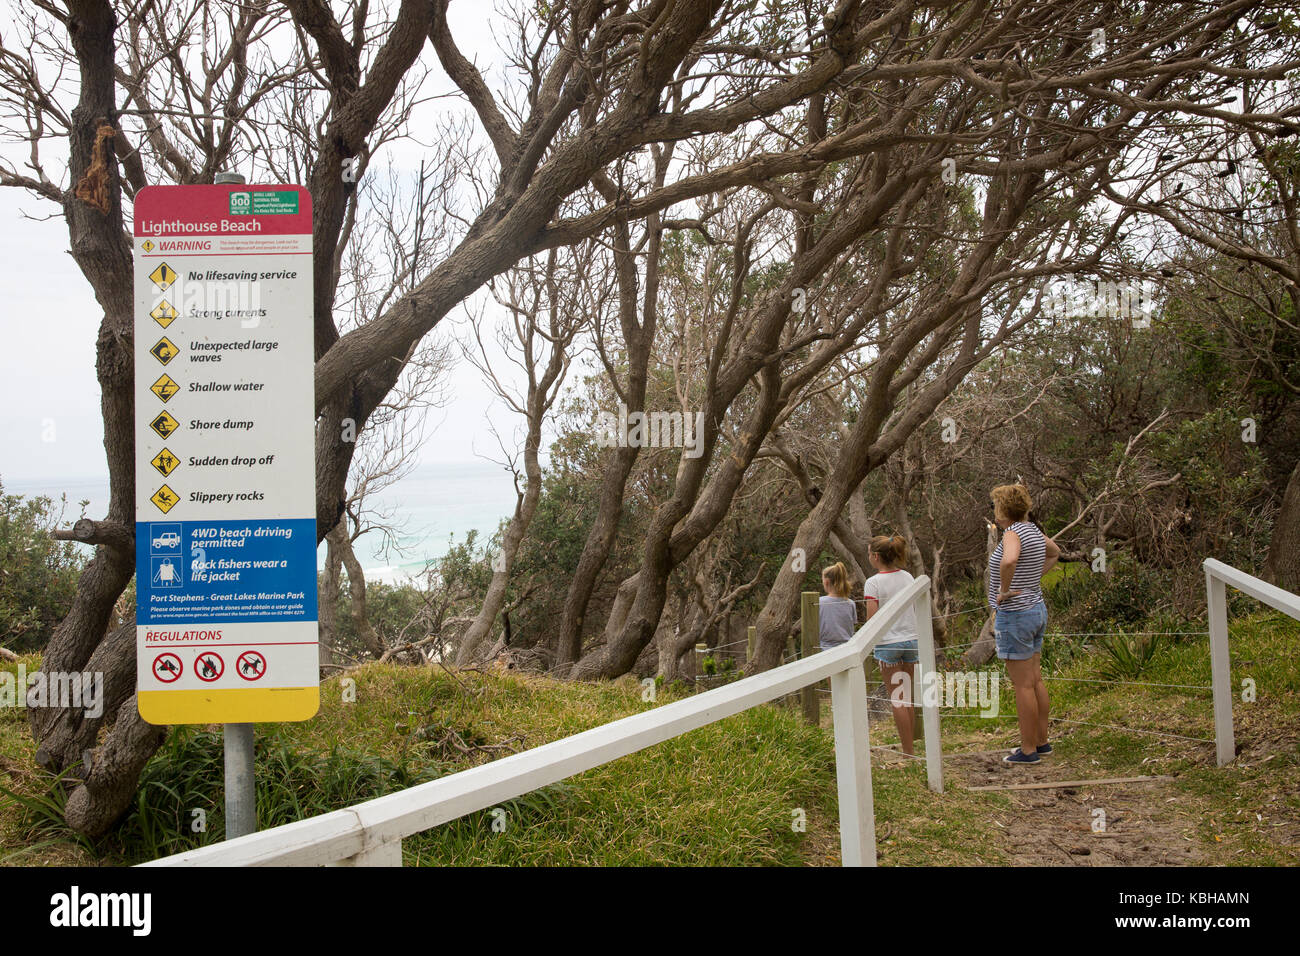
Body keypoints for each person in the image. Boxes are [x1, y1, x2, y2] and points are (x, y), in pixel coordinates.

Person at [987, 483, 1061, 765]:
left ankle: (1028, 750)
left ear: (1002, 510)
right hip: (1036, 610)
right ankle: (1041, 742)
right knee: (1035, 679)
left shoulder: (1013, 533)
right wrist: (1032, 580)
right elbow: (1055, 553)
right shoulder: (1033, 530)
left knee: (1023, 686)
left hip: (1016, 614)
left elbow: (1010, 561)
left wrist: (1004, 591)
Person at [863, 535, 920, 755]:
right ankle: (911, 748)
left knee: (897, 699)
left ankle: (908, 753)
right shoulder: (907, 576)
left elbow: (872, 617)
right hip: (911, 640)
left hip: (888, 644)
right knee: (907, 697)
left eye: (869, 553)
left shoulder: (873, 582)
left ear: (876, 556)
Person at [818, 562, 858, 650]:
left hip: (825, 650)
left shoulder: (819, 602)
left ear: (826, 582)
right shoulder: (850, 603)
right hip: (847, 649)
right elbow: (852, 626)